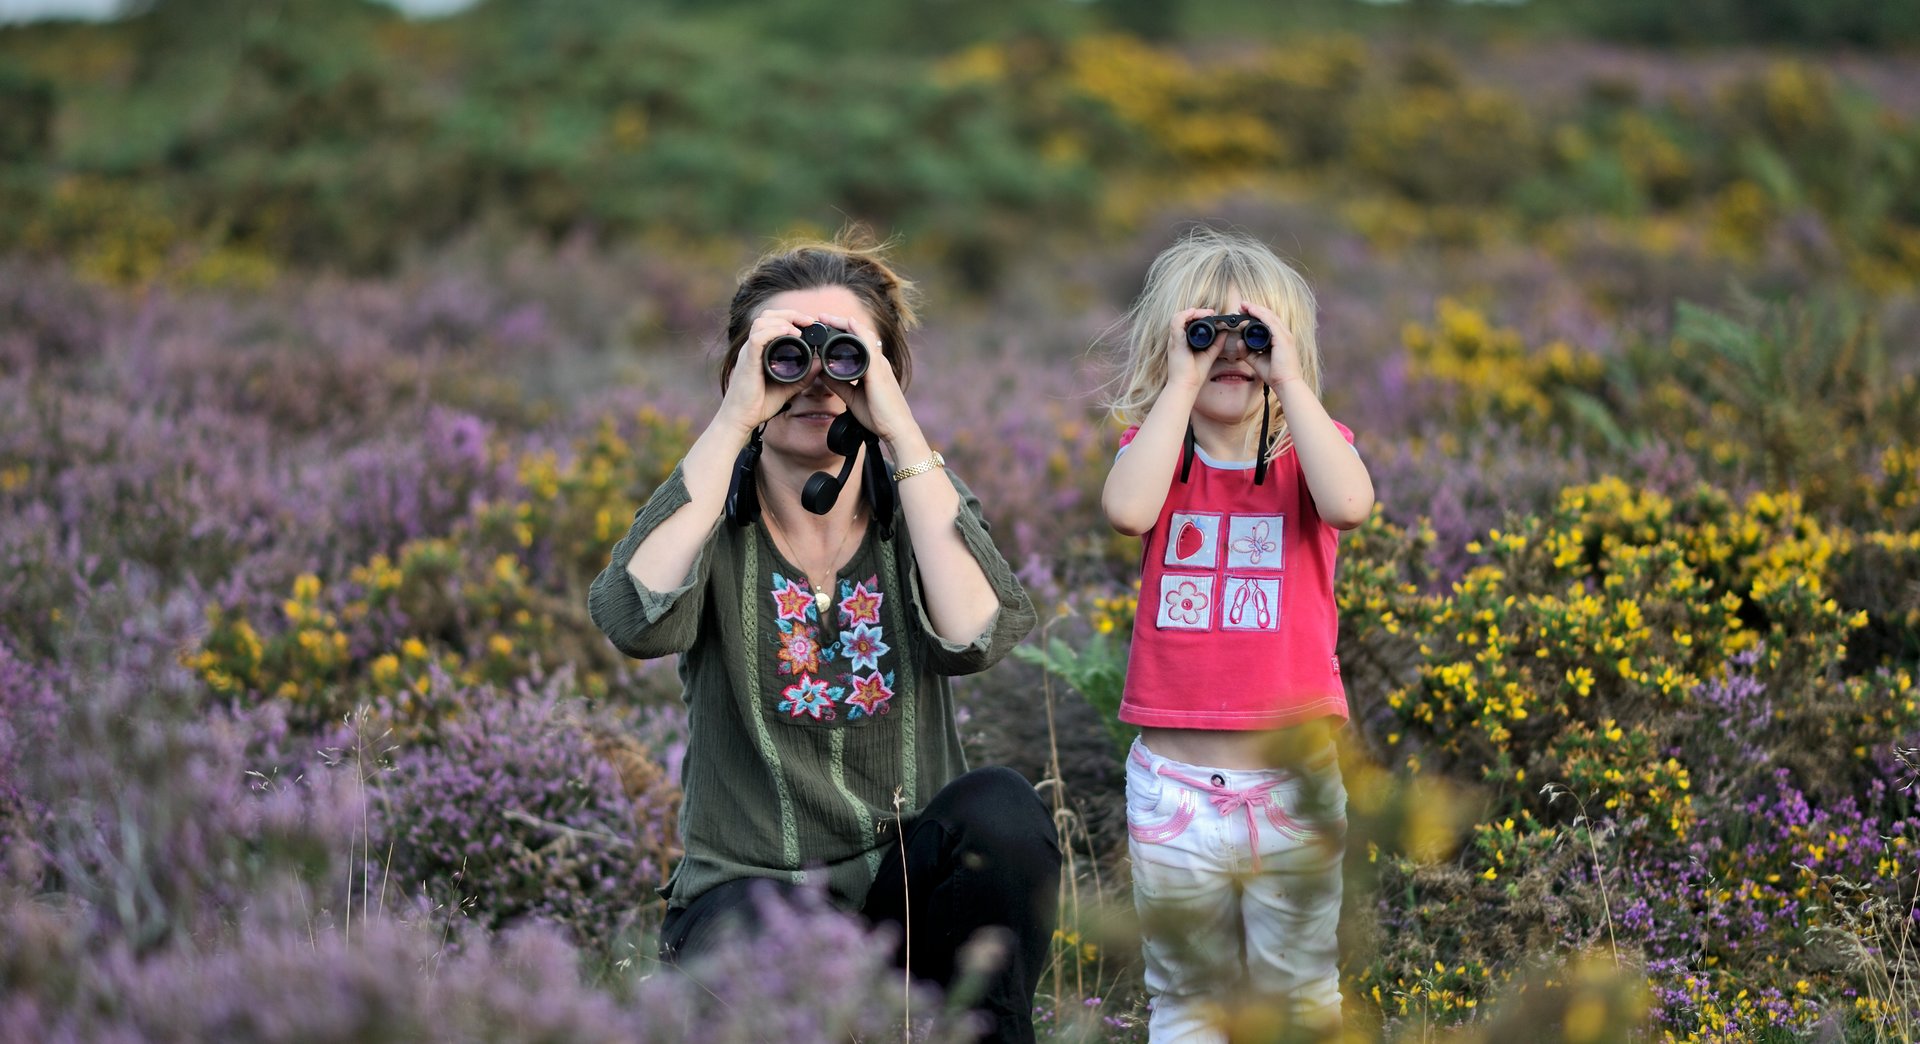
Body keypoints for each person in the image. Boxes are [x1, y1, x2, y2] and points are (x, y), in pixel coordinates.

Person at [587, 234, 1056, 1043]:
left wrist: (904, 438)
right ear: (741, 369)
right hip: (750, 899)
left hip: (907, 895)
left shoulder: (915, 502)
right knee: (763, 959)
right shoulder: (710, 515)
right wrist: (734, 420)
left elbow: (976, 632)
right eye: (782, 353)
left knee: (1005, 812)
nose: (814, 378)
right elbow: (635, 615)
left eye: (843, 355)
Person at [1100, 227, 1375, 1040]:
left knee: (1300, 994)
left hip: (1293, 783)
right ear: (1169, 348)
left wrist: (1288, 379)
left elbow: (1351, 504)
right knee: (1188, 995)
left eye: (1253, 334)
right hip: (1176, 788)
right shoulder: (1155, 456)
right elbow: (1126, 511)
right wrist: (1178, 387)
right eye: (1205, 332)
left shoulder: (1311, 456)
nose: (1232, 351)